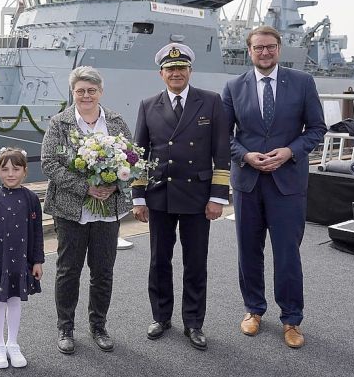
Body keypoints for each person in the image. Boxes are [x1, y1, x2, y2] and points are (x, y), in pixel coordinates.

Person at [221, 25, 326, 349]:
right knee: (248, 252)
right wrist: (245, 155)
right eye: (258, 48)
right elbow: (224, 136)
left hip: (287, 183)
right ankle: (253, 309)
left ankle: (292, 319)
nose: (264, 53)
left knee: (287, 255)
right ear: (249, 51)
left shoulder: (302, 83)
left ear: (279, 48)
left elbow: (317, 128)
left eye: (270, 47)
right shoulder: (233, 87)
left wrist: (290, 151)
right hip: (248, 184)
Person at [131, 43, 230, 351]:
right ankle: (161, 317)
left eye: (182, 68)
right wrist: (138, 198)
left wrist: (218, 197)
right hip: (160, 195)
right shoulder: (148, 105)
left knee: (195, 262)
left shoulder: (211, 102)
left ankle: (194, 322)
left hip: (198, 198)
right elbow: (139, 154)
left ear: (190, 71)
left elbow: (222, 153)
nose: (176, 73)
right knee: (159, 260)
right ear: (161, 74)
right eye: (170, 69)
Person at [40, 66, 133, 355]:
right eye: (80, 90)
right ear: (73, 92)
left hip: (108, 210)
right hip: (71, 210)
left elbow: (130, 158)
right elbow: (49, 164)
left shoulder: (115, 122)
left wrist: (114, 184)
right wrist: (86, 188)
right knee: (69, 270)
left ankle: (99, 326)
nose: (86, 95)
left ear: (100, 92)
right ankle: (65, 327)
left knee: (103, 271)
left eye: (91, 90)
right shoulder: (60, 123)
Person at [0, 147, 44, 369]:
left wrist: (38, 260)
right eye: (5, 169)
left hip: (22, 261)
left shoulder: (32, 199)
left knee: (14, 301)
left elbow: (37, 232)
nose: (10, 174)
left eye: (16, 169)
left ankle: (13, 343)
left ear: (25, 171)